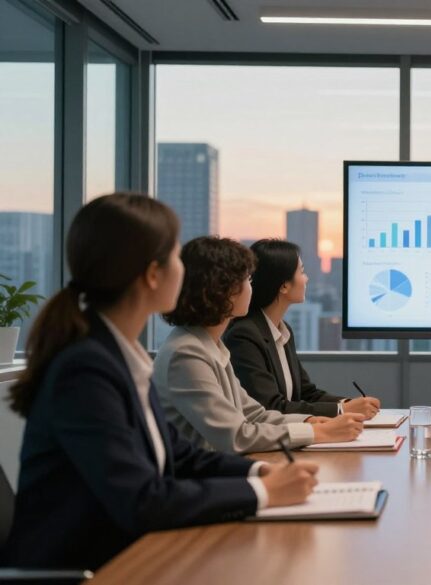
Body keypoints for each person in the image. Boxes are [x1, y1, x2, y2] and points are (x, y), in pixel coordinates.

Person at [1, 195, 318, 570]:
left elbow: (179, 455)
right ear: (153, 275)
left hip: (131, 554)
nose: (184, 271)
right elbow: (143, 500)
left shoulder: (119, 354)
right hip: (93, 568)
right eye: (175, 256)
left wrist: (258, 471)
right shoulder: (85, 370)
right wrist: (262, 491)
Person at [154, 236, 364, 454]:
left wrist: (310, 423)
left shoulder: (209, 346)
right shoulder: (187, 354)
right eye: (247, 281)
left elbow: (255, 415)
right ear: (222, 290)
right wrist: (318, 433)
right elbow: (236, 436)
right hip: (201, 478)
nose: (252, 288)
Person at [224, 239, 381, 418]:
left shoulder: (283, 331)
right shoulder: (244, 335)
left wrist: (347, 404)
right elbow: (270, 406)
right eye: (302, 272)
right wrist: (342, 411)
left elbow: (307, 393)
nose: (306, 279)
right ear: (284, 285)